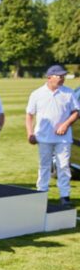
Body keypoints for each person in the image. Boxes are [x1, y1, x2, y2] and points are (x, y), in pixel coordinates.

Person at [25, 64, 79, 206]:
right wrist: (30, 133)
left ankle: (64, 196)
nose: (62, 78)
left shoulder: (68, 93)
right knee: (44, 166)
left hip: (63, 138)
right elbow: (29, 115)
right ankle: (41, 193)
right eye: (59, 76)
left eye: (63, 76)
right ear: (49, 77)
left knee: (64, 167)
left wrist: (65, 124)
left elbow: (76, 112)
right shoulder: (37, 94)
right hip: (43, 137)